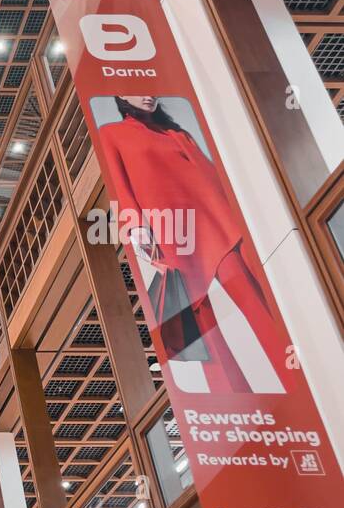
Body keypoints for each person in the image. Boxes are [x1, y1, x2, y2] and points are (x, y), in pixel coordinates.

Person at [98, 95, 288, 394]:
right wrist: (134, 224)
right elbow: (119, 182)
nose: (148, 95)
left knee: (258, 305)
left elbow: (211, 174)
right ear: (120, 96)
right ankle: (238, 406)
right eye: (136, 89)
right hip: (171, 233)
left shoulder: (176, 132)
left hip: (215, 221)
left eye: (151, 89)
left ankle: (301, 379)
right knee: (202, 329)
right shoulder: (111, 133)